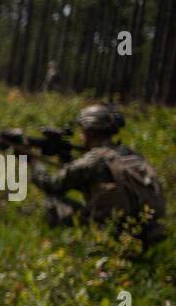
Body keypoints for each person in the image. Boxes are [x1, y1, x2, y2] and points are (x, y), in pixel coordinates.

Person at [32, 103, 166, 246]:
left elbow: (51, 185)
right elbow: (94, 181)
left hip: (111, 234)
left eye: (82, 131)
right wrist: (66, 159)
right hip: (143, 232)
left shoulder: (94, 159)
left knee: (52, 201)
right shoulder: (131, 154)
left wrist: (32, 162)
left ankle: (65, 246)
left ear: (89, 132)